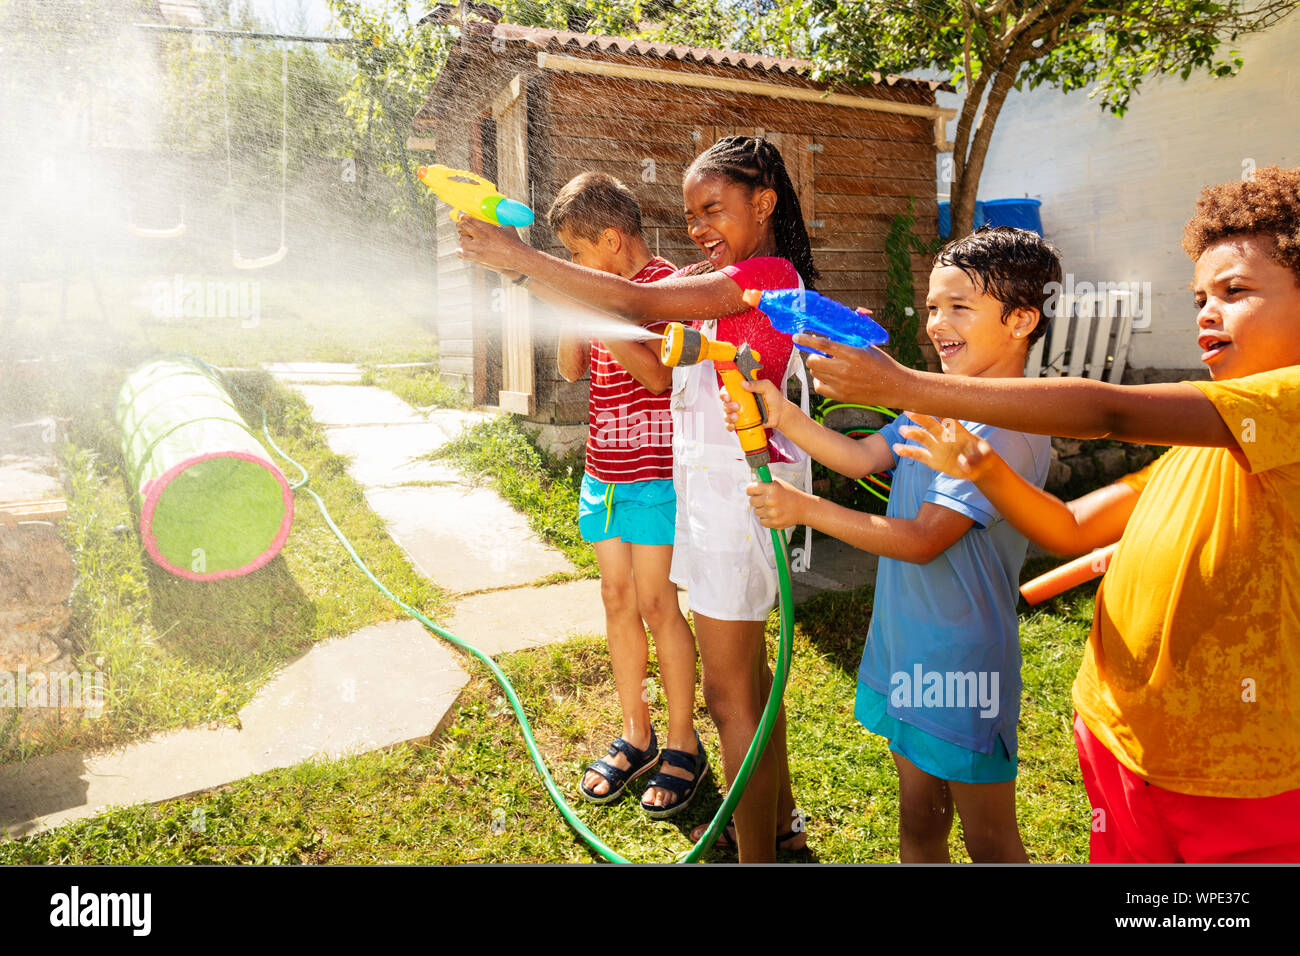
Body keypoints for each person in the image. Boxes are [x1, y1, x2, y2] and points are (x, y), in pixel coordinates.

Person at [802, 165, 1300, 863]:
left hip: (1234, 771)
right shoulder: (1199, 452)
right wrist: (980, 467)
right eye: (1199, 298)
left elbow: (1109, 410)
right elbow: (1065, 529)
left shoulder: (1290, 403)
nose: (1207, 313)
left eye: (1235, 292)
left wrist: (908, 385)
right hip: (1122, 739)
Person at [457, 136, 816, 862]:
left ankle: (760, 858)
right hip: (726, 502)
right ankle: (780, 832)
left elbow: (635, 299)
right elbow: (619, 300)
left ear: (765, 203)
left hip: (736, 505)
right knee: (748, 688)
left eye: (713, 208)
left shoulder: (762, 274)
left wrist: (517, 255)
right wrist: (531, 278)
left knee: (731, 699)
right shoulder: (718, 277)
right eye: (690, 216)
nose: (699, 228)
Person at [724, 226, 1057, 861]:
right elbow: (859, 457)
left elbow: (924, 540)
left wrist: (804, 508)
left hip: (962, 665)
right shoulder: (932, 399)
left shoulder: (1009, 425)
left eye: (960, 307)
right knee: (919, 822)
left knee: (989, 839)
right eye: (933, 307)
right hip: (906, 644)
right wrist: (780, 411)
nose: (938, 323)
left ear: (1020, 320)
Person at [541, 172, 700, 817]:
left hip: (656, 472)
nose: (576, 266)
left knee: (659, 603)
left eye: (579, 254)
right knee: (616, 597)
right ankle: (637, 732)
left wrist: (599, 312)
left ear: (611, 239)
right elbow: (570, 369)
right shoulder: (592, 290)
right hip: (603, 471)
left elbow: (661, 379)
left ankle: (684, 743)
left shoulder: (667, 288)